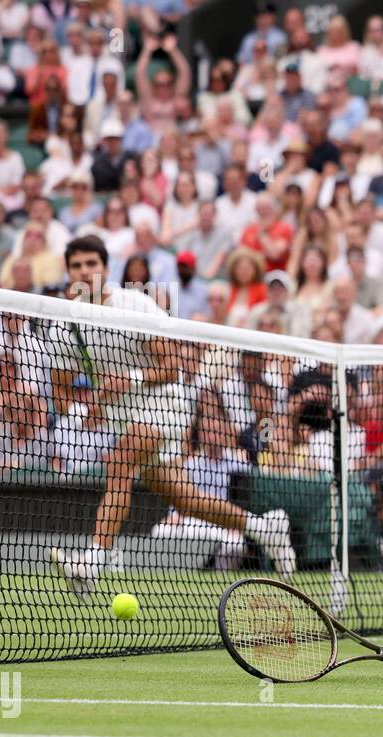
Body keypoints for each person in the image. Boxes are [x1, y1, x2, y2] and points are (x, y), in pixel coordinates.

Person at [47, 236, 297, 598]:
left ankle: (93, 561)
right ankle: (262, 528)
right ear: (69, 272)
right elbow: (61, 386)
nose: (85, 271)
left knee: (120, 462)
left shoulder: (134, 305)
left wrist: (129, 380)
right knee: (184, 499)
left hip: (165, 402)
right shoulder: (66, 326)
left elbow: (171, 366)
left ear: (105, 267)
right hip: (124, 416)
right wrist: (86, 409)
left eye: (92, 264)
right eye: (77, 266)